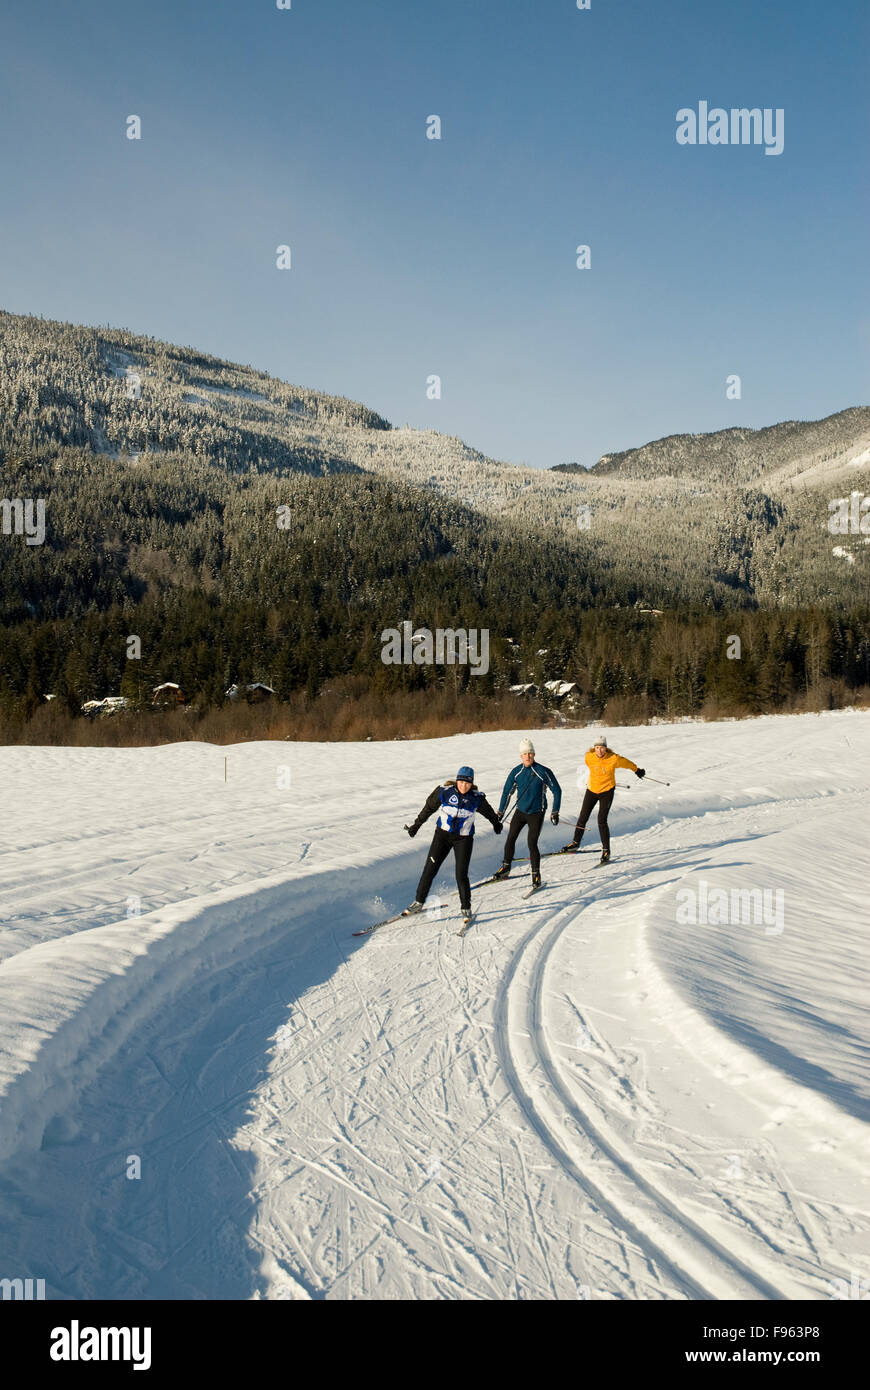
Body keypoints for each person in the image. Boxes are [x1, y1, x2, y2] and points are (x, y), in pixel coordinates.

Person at [403, 766, 502, 922]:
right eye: (461, 782)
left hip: (463, 839)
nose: (464, 786)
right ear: (457, 780)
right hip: (442, 836)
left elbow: (489, 812)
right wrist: (416, 825)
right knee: (430, 869)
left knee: (461, 874)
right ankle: (418, 902)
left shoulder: (476, 798)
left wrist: (496, 824)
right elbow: (428, 808)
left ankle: (466, 908)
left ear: (472, 784)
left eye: (467, 783)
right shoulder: (444, 791)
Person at [493, 738, 562, 889]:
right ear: (521, 756)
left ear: (534, 754)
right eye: (525, 753)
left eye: (530, 753)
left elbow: (557, 790)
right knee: (511, 838)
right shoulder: (516, 772)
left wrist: (555, 811)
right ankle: (505, 867)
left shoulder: (543, 771)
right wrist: (500, 812)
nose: (528, 756)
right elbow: (507, 792)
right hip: (521, 811)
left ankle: (536, 874)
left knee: (532, 842)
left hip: (537, 812)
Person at [566, 734, 645, 864]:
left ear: (606, 748)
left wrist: (637, 770)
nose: (600, 751)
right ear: (594, 748)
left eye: (602, 748)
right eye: (597, 748)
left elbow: (627, 763)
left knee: (601, 820)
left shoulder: (614, 759)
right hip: (591, 790)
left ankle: (606, 850)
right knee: (582, 817)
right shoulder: (588, 757)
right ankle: (575, 842)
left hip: (607, 791)